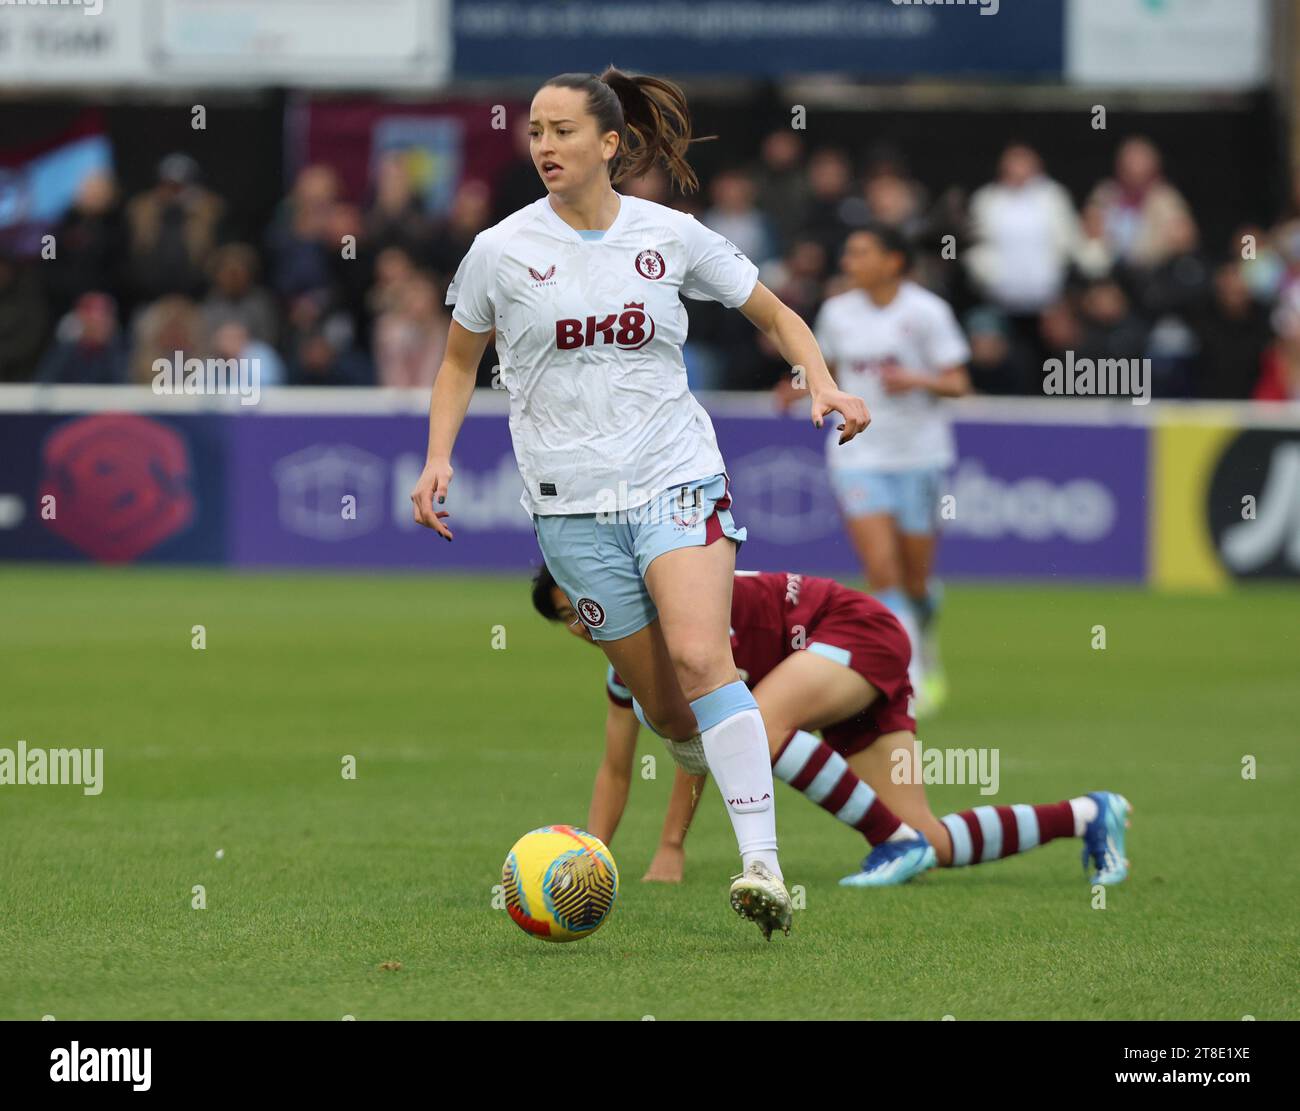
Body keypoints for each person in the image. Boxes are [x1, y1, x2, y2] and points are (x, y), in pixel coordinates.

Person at [409, 67, 870, 940]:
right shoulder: (500, 250)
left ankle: (761, 865)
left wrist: (824, 383)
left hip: (676, 474)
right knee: (665, 710)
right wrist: (438, 459)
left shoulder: (672, 235)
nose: (543, 145)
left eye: (562, 130)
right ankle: (739, 757)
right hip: (569, 508)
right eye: (536, 131)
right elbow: (459, 361)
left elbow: (776, 315)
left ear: (610, 143)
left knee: (704, 657)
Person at [532, 565, 1132, 888]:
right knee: (933, 840)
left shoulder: (685, 617)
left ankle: (892, 844)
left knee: (751, 730)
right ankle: (1088, 815)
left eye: (585, 605)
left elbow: (722, 737)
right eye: (567, 618)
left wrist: (669, 846)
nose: (583, 625)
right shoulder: (627, 671)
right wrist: (592, 857)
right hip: (834, 671)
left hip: (855, 630)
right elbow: (615, 770)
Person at [807, 223, 972, 715]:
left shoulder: (927, 312)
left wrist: (917, 379)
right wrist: (797, 386)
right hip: (856, 454)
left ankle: (925, 640)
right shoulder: (836, 312)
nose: (850, 261)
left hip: (919, 456)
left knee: (917, 581)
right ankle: (911, 676)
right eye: (849, 251)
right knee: (883, 571)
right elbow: (823, 369)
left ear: (893, 261)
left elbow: (959, 383)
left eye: (861, 252)